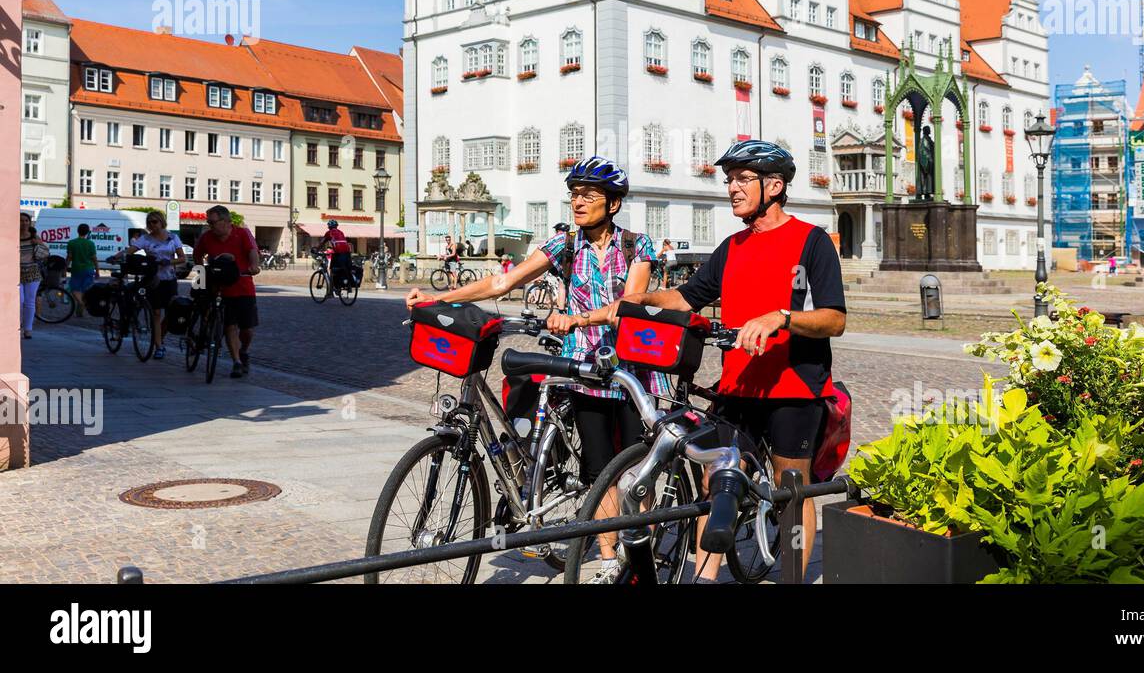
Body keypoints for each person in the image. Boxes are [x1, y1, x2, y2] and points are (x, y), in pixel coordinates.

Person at [406, 156, 658, 582]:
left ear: (612, 204)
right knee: (598, 470)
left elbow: (630, 305)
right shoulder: (565, 245)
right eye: (574, 194)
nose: (578, 202)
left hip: (630, 372)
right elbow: (504, 283)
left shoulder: (638, 246)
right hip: (583, 372)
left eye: (588, 196)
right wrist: (439, 301)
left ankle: (641, 551)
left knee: (636, 471)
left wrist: (580, 319)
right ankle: (609, 557)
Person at [621, 139, 846, 582]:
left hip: (795, 388)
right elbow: (687, 298)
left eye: (743, 179)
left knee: (790, 491)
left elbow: (834, 319)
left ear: (775, 185)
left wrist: (782, 318)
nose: (732, 189)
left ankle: (793, 579)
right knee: (715, 480)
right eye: (730, 180)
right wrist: (640, 299)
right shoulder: (731, 246)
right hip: (737, 386)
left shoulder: (812, 242)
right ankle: (705, 579)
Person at [193, 206, 261, 378]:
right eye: (208, 222)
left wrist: (253, 266)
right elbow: (197, 255)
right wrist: (201, 276)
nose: (210, 226)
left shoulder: (242, 234)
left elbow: (253, 251)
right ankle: (236, 361)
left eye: (213, 222)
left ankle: (244, 350)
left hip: (243, 285)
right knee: (229, 325)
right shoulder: (207, 237)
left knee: (247, 328)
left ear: (225, 221)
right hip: (219, 287)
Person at [111, 211, 186, 358]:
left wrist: (169, 261)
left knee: (171, 312)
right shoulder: (145, 239)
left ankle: (160, 337)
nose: (152, 225)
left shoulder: (173, 237)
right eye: (150, 222)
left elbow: (182, 258)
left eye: (155, 222)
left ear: (161, 222)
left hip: (169, 278)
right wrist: (116, 257)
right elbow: (130, 251)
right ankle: (158, 346)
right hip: (153, 279)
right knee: (156, 313)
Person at [18, 213, 49, 340]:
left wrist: (38, 243)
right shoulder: (14, 236)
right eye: (21, 221)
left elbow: (46, 251)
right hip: (17, 272)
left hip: (32, 271)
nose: (24, 223)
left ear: (30, 222)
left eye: (26, 220)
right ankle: (18, 326)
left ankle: (28, 329)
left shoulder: (34, 237)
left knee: (30, 302)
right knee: (19, 301)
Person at [66, 223, 100, 317]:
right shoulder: (90, 243)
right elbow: (94, 258)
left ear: (78, 231)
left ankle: (81, 303)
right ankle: (79, 312)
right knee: (85, 290)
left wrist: (65, 268)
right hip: (89, 269)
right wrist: (97, 271)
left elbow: (69, 257)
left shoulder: (72, 243)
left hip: (77, 269)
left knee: (74, 289)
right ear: (87, 232)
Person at [318, 220, 353, 292]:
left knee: (333, 269)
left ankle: (334, 289)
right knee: (344, 269)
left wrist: (316, 249)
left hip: (339, 253)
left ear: (329, 227)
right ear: (336, 226)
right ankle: (348, 285)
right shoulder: (341, 232)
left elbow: (322, 242)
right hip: (347, 253)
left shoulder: (329, 233)